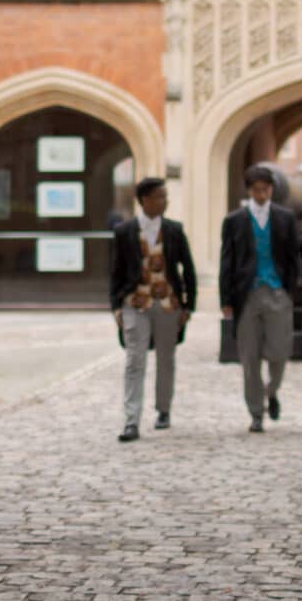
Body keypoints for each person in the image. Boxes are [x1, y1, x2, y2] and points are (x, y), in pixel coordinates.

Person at [109, 177, 198, 443]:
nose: (165, 201)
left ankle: (163, 410)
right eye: (160, 196)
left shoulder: (174, 230)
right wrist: (115, 306)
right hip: (135, 302)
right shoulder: (124, 231)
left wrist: (189, 306)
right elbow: (115, 272)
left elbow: (188, 268)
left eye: (165, 196)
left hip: (168, 304)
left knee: (165, 359)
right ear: (145, 200)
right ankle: (131, 420)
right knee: (134, 360)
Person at [219, 165, 300, 433]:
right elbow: (227, 261)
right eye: (257, 190)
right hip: (246, 296)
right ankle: (256, 412)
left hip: (278, 292)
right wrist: (226, 298)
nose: (262, 194)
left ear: (272, 189)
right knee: (249, 358)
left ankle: (271, 391)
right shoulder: (234, 221)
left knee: (280, 352)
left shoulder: (285, 218)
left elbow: (293, 258)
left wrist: (290, 291)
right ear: (249, 191)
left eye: (266, 190)